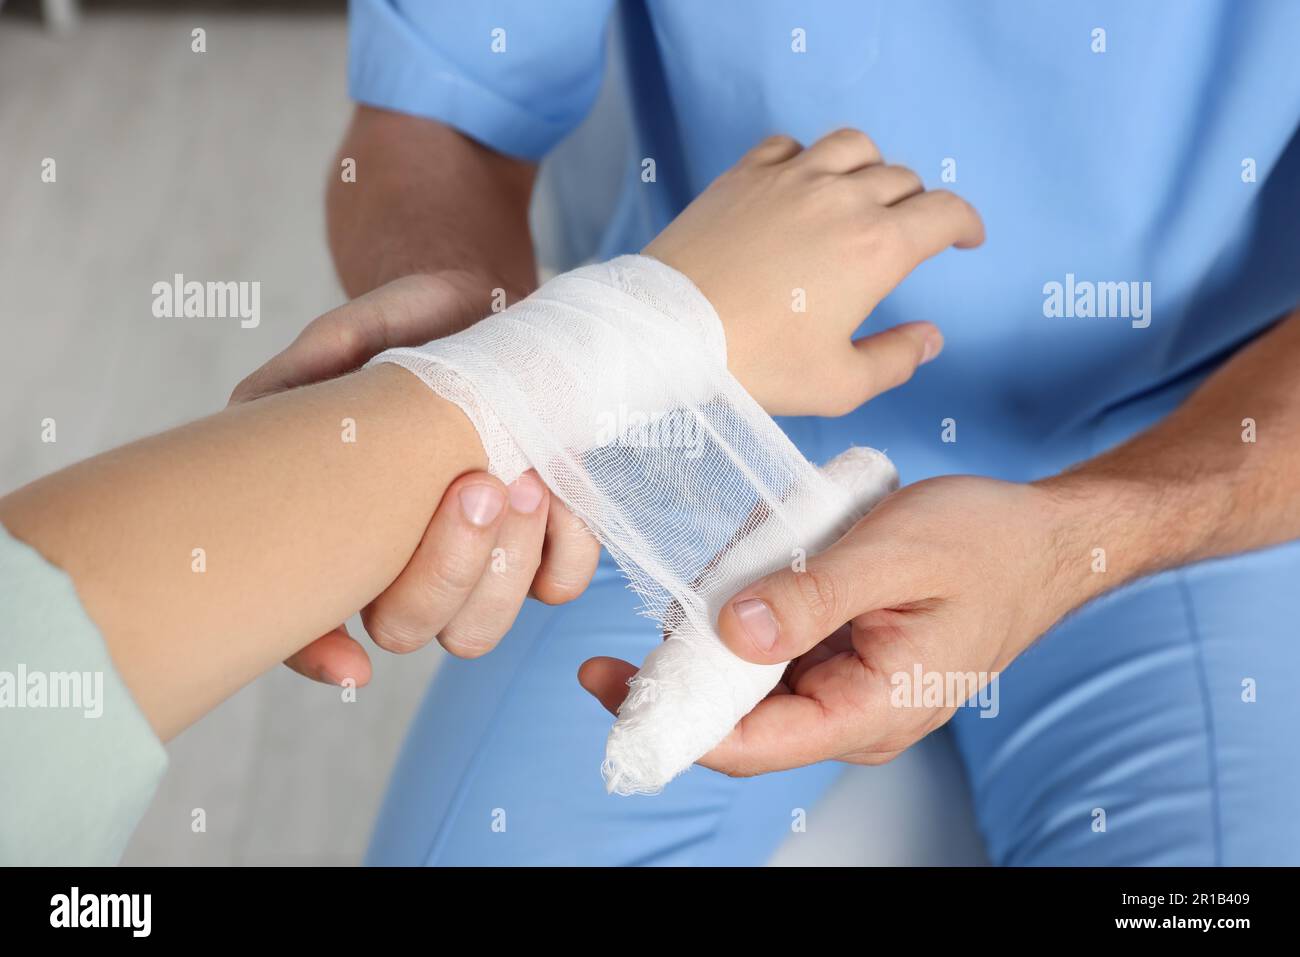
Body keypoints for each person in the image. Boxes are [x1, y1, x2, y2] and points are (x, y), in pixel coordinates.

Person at [242, 1, 1300, 865]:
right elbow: (439, 116)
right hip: (688, 436)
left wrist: (1080, 538)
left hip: (1186, 458)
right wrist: (499, 365)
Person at [0, 133, 979, 864]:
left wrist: (608, 339)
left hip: (1111, 540)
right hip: (668, 465)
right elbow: (433, 117)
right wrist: (603, 333)